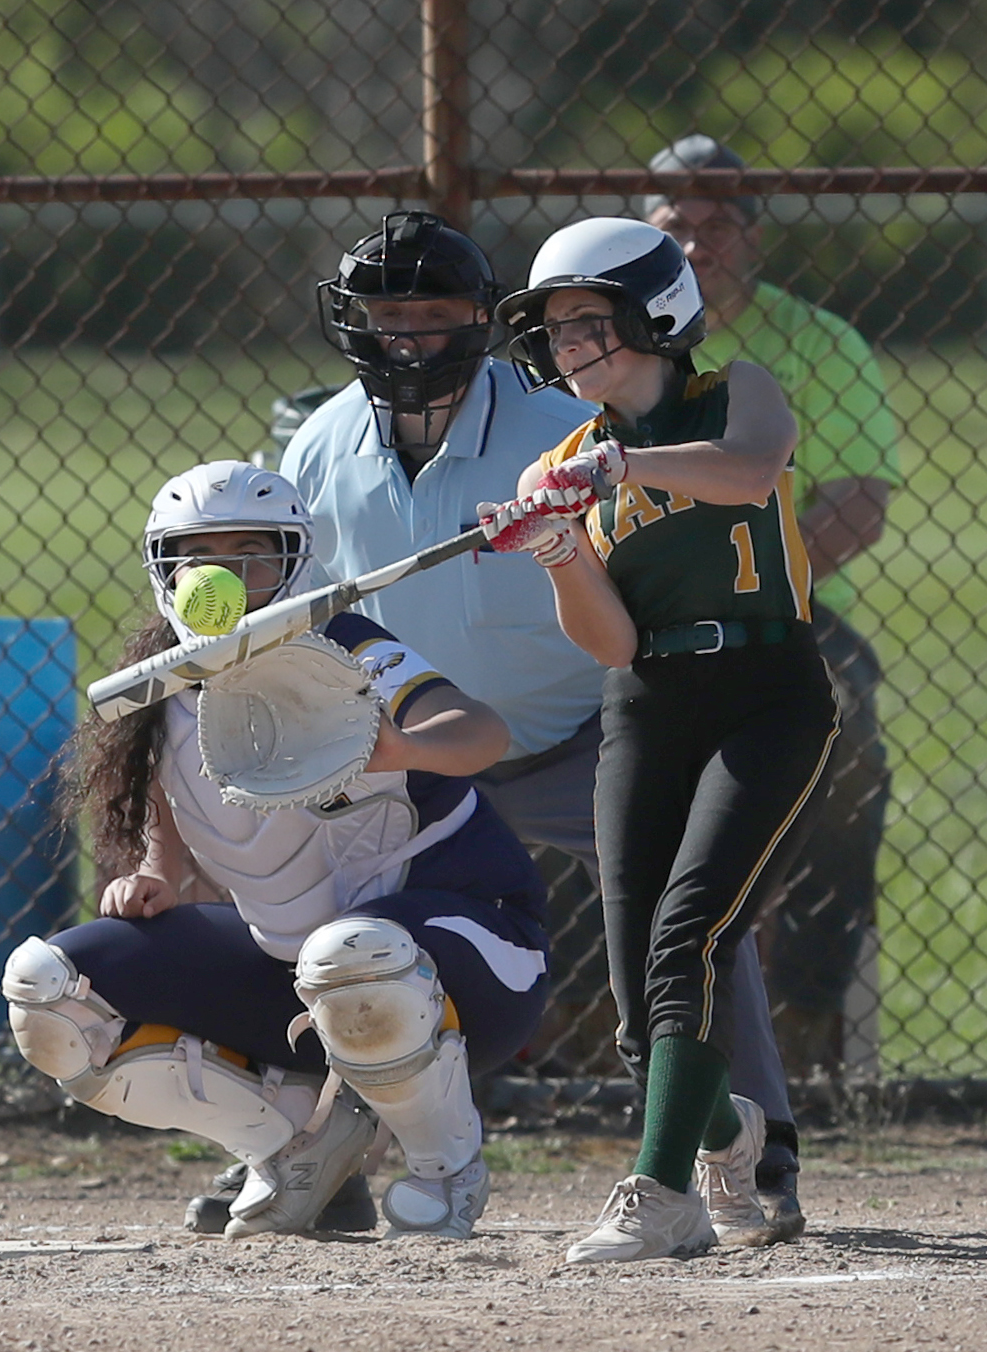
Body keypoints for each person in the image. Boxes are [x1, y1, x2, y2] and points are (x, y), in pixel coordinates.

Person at [280, 209, 809, 1234]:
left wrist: (575, 519)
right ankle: (315, 1146)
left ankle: (760, 1146)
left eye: (435, 312)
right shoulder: (321, 444)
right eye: (389, 316)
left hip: (578, 736)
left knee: (692, 918)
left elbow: (714, 490)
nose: (411, 336)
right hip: (420, 754)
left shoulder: (558, 419)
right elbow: (309, 606)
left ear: (479, 320)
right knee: (316, 914)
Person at [0, 459, 549, 1242]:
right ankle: (295, 1153)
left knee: (352, 952)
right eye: (200, 556)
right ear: (165, 569)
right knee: (51, 989)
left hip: (474, 958)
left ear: (294, 560)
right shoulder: (162, 677)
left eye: (251, 553)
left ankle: (445, 1166)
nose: (225, 576)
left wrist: (397, 747)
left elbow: (482, 733)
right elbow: (172, 786)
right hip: (295, 969)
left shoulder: (348, 648)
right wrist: (158, 872)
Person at [486, 217, 840, 1263]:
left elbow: (750, 469)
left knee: (691, 931)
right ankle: (727, 1136)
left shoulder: (735, 391)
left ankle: (662, 1190)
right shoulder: (562, 464)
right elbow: (613, 640)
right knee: (641, 980)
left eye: (586, 320)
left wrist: (623, 467)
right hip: (645, 703)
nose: (566, 344)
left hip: (766, 689)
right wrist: (555, 546)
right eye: (553, 330)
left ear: (656, 313)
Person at [643, 135, 901, 1077]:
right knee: (552, 724)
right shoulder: (608, 341)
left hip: (787, 607)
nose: (698, 242)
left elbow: (859, 504)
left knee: (848, 734)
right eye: (676, 221)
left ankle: (803, 1008)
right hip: (634, 611)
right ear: (645, 233)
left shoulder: (818, 345)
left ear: (754, 237)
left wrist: (739, 579)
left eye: (720, 223)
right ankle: (582, 1009)